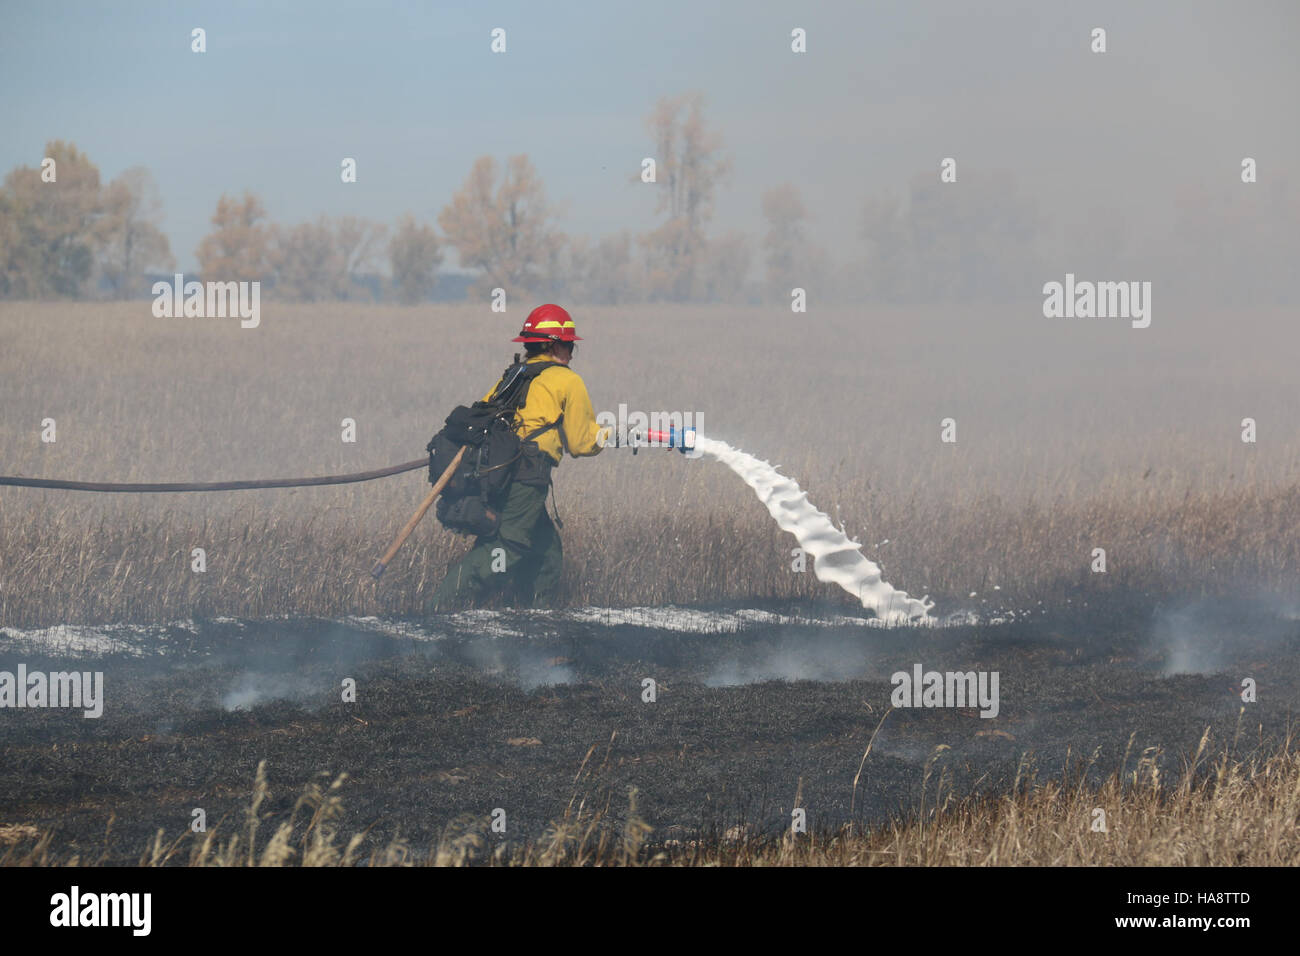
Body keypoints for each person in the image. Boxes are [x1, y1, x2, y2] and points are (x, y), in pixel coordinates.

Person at [428, 304, 610, 611]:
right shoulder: (567, 381)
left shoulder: (514, 375)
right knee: (505, 547)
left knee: (546, 552)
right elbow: (581, 443)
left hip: (495, 475)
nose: (571, 351)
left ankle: (535, 619)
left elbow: (482, 417)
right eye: (569, 344)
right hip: (526, 476)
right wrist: (613, 435)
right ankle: (436, 610)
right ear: (554, 344)